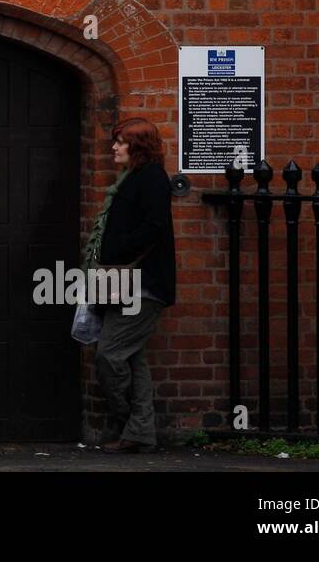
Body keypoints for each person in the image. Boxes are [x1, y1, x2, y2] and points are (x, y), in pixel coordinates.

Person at [84, 117, 176, 454]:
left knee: (110, 355)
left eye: (121, 142)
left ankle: (130, 422)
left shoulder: (151, 178)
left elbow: (153, 228)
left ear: (137, 146)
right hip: (125, 283)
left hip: (144, 284)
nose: (114, 147)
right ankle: (141, 431)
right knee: (133, 358)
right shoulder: (131, 178)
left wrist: (115, 249)